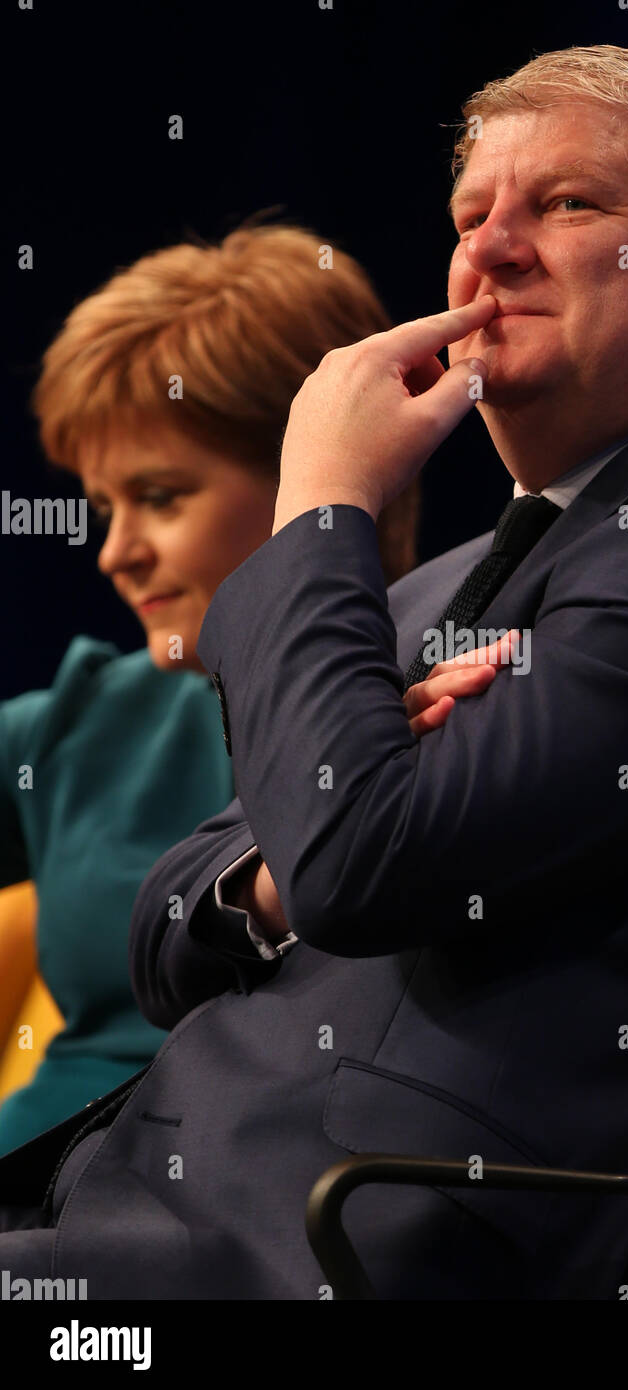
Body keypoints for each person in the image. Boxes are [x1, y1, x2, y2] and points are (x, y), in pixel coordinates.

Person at [0, 45, 628, 1299]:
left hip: (326, 1257)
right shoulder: (444, 582)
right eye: (473, 216)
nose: (493, 251)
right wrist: (272, 876)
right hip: (155, 1220)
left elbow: (355, 866)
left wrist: (319, 501)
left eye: (566, 206)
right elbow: (169, 932)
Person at [0, 224, 420, 1155]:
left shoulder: (440, 699)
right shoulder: (76, 723)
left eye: (158, 497)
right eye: (104, 507)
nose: (114, 553)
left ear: (310, 470)